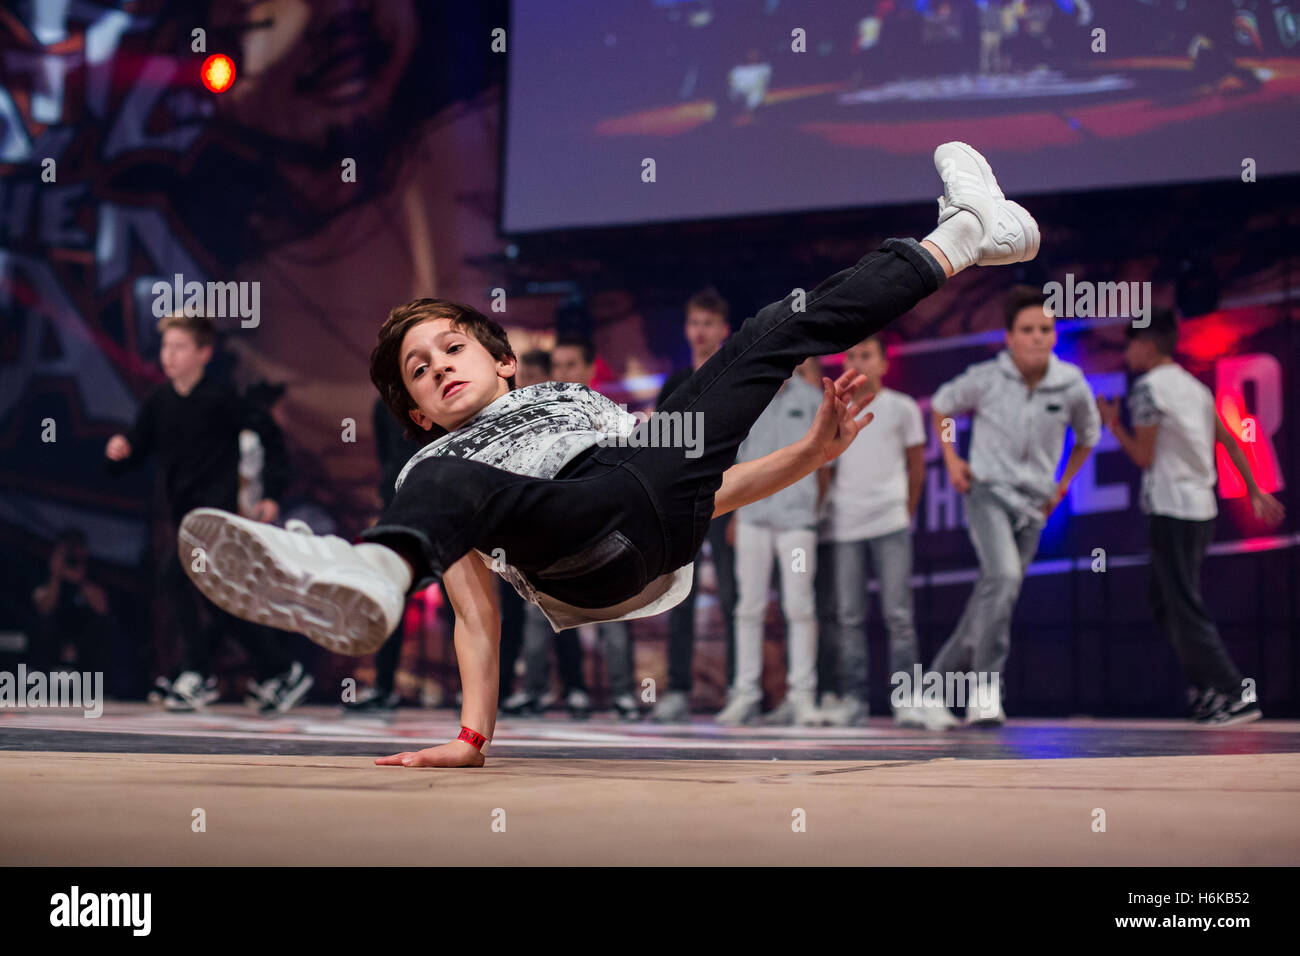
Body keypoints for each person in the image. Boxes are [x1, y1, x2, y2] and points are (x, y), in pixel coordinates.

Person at [179, 142, 1040, 766]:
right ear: (414, 408)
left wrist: (810, 454)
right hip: (570, 548)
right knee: (443, 486)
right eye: (420, 369)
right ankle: (375, 568)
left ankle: (963, 236)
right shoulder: (437, 467)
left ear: (502, 358)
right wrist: (472, 738)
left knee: (770, 333)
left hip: (649, 505)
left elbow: (699, 490)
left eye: (452, 348)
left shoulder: (576, 399)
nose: (440, 366)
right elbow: (478, 613)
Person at [106, 314, 311, 713]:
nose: (170, 355)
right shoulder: (159, 402)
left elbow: (269, 435)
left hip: (215, 517)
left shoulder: (221, 400)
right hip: (183, 518)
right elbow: (136, 444)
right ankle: (278, 669)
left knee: (176, 576)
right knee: (221, 601)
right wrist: (120, 451)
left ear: (204, 353)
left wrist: (271, 493)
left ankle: (198, 673)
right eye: (166, 347)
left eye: (179, 347)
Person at [1096, 310, 1284, 725]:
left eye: (1130, 344)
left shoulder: (1148, 389)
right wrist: (1253, 488)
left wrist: (1113, 425)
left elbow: (1144, 457)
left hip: (1172, 508)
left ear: (1146, 345)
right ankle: (1208, 689)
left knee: (1183, 605)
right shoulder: (1193, 387)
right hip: (1200, 510)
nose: (1127, 353)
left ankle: (1235, 693)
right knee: (1164, 602)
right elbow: (1233, 443)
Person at [927, 285, 1100, 726]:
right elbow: (943, 408)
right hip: (986, 492)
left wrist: (1062, 485)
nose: (1037, 337)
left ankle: (932, 688)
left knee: (995, 595)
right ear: (1009, 337)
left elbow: (1088, 438)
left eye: (1045, 329)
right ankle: (984, 689)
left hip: (1035, 505)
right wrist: (952, 459)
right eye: (1027, 330)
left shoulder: (1071, 384)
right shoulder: (986, 378)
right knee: (1002, 578)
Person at [502, 337, 638, 721]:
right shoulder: (538, 416)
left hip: (601, 526)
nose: (563, 374)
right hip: (547, 528)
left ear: (590, 370)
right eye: (557, 366)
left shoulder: (609, 414)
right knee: (537, 611)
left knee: (613, 613)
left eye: (571, 365)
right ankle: (534, 693)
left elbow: (627, 469)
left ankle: (624, 696)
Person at [816, 335, 945, 729]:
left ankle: (905, 700)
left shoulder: (903, 408)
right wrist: (825, 510)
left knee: (898, 615)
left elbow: (917, 468)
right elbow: (823, 466)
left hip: (889, 522)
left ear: (884, 364)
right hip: (845, 524)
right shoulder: (832, 412)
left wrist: (903, 513)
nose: (856, 361)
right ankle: (854, 699)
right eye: (850, 354)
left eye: (865, 355)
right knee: (849, 617)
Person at [717, 359, 827, 727]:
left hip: (797, 522)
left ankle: (803, 698)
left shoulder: (812, 398)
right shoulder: (749, 398)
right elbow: (734, 460)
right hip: (751, 518)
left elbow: (825, 460)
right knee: (749, 607)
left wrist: (814, 509)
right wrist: (734, 511)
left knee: (800, 607)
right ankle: (745, 694)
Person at [651, 289, 738, 723]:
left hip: (729, 497)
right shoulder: (673, 383)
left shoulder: (736, 377)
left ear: (724, 330)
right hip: (682, 503)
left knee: (733, 598)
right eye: (694, 322)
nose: (700, 331)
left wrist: (742, 505)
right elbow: (657, 444)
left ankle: (742, 691)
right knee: (677, 596)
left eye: (709, 323)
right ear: (686, 329)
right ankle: (678, 690)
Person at [30, 529, 110, 676]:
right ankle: (39, 682)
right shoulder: (45, 577)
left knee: (101, 629)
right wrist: (56, 574)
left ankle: (97, 685)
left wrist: (80, 579)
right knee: (44, 625)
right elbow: (44, 608)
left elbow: (102, 609)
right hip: (54, 638)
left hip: (83, 640)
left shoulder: (92, 576)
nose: (72, 558)